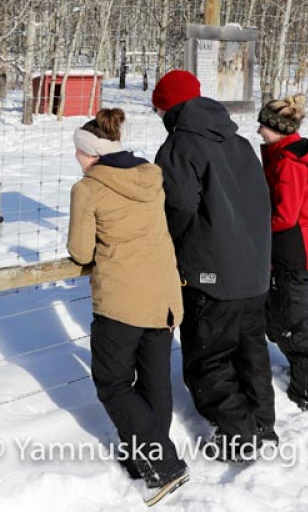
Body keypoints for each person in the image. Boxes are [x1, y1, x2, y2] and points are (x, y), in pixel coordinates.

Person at [150, 70, 276, 460]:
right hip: (253, 270)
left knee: (208, 358)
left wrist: (165, 244)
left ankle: (238, 437)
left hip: (212, 274)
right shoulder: (238, 141)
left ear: (167, 107)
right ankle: (262, 425)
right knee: (250, 351)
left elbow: (180, 205)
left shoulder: (178, 147)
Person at [67, 108, 189, 506]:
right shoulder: (150, 176)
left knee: (114, 383)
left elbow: (80, 250)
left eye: (79, 152)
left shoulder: (88, 188)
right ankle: (145, 460)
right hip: (163, 296)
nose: (77, 159)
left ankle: (163, 465)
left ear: (92, 152)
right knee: (154, 382)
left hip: (121, 301)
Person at [257, 95, 308, 410]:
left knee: (296, 325)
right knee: (280, 321)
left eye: (264, 125)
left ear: (278, 128)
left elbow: (285, 215)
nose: (259, 130)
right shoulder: (287, 155)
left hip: (295, 254)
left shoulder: (289, 162)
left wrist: (253, 228)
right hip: (296, 251)